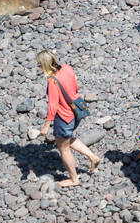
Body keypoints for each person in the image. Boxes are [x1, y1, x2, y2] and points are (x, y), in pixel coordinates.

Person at [37, 51, 101, 187]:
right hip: (76, 112)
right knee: (67, 139)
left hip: (64, 117)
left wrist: (46, 125)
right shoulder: (67, 68)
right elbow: (76, 87)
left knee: (63, 147)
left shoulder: (52, 81)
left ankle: (73, 179)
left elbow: (53, 105)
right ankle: (92, 157)